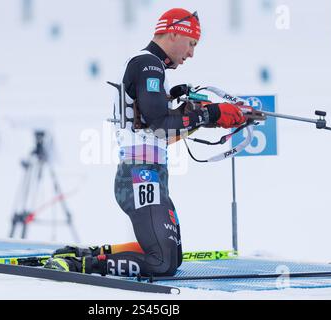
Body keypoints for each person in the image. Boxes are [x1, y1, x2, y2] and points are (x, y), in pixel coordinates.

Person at [45, 8, 245, 277]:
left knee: (172, 259)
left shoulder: (151, 67)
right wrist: (211, 113)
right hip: (140, 175)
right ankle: (77, 266)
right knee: (161, 262)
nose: (191, 54)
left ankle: (85, 255)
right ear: (174, 33)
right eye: (191, 44)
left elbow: (162, 133)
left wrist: (210, 118)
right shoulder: (148, 64)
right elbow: (160, 123)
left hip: (148, 174)